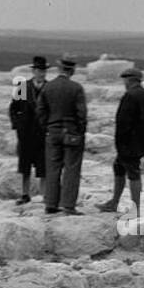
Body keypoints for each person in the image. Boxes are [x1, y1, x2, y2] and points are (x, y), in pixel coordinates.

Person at [98, 68, 144, 213]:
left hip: (130, 143)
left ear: (129, 80)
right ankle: (114, 202)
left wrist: (121, 142)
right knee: (119, 167)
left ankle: (137, 208)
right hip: (141, 142)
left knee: (133, 172)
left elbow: (123, 122)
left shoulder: (130, 95)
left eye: (124, 79)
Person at [36, 53, 87, 215]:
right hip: (71, 132)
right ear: (72, 70)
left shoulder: (47, 86)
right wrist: (80, 130)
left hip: (52, 132)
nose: (40, 73)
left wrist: (47, 126)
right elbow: (81, 114)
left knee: (52, 169)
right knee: (72, 169)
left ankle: (50, 203)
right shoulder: (76, 88)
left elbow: (40, 111)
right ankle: (68, 204)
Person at [8, 56, 48, 203]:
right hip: (25, 133)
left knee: (43, 165)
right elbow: (13, 108)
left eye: (43, 71)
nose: (41, 73)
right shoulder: (22, 87)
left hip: (42, 133)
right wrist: (17, 126)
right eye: (38, 70)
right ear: (34, 71)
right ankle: (25, 194)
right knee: (24, 165)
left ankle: (44, 196)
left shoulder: (49, 87)